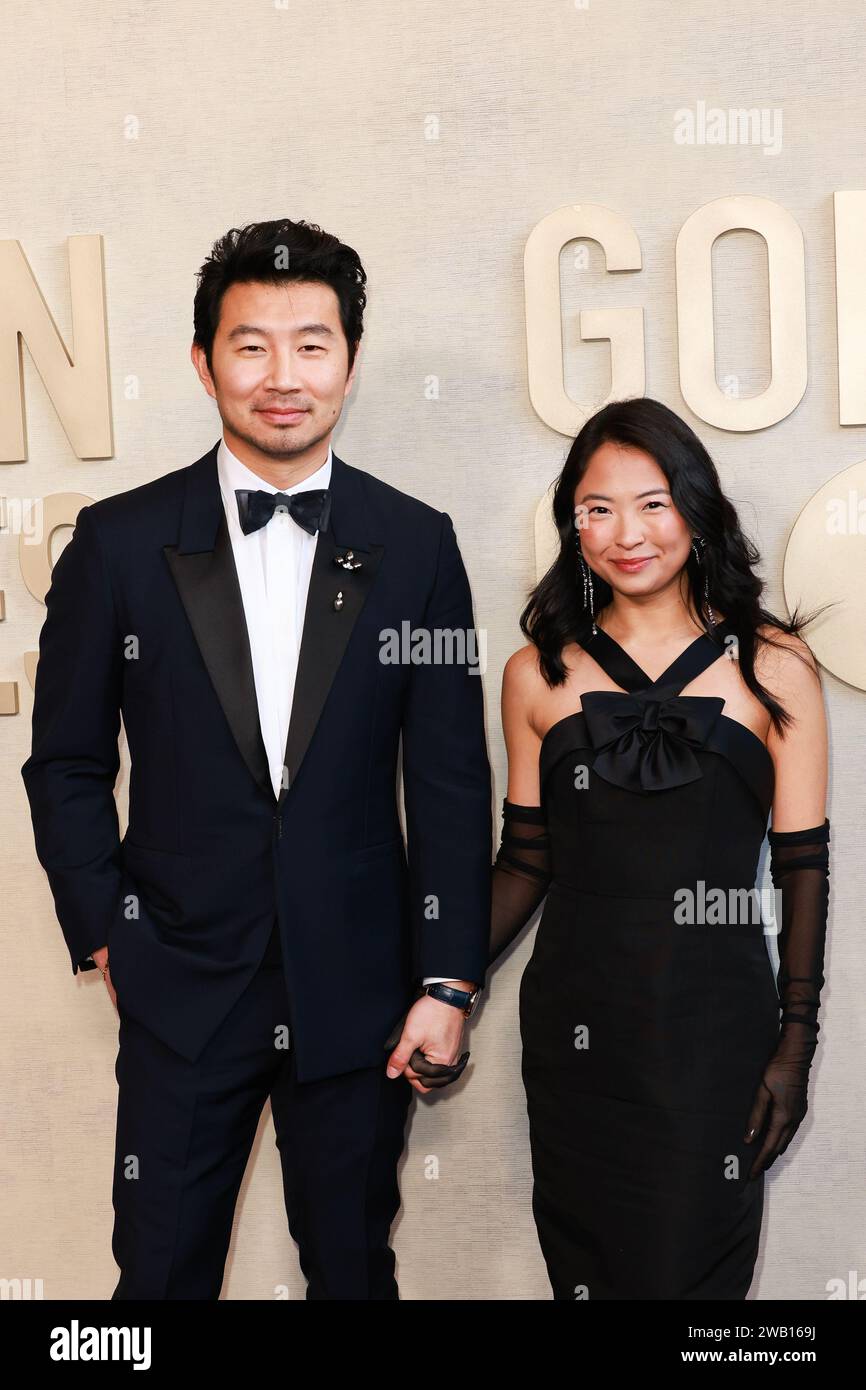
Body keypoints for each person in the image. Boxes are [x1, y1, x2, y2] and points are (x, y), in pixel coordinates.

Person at [21, 218, 491, 1300]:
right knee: (157, 1278)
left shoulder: (417, 542)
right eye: (251, 345)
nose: (284, 376)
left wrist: (446, 977)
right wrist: (108, 934)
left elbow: (451, 781)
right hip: (182, 982)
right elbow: (67, 763)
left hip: (363, 990)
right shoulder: (119, 541)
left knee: (352, 1270)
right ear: (203, 362)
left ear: (350, 363)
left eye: (311, 344)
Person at [488, 396, 831, 1300]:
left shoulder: (775, 664)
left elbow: (803, 867)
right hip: (576, 1039)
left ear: (694, 506)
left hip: (713, 1037)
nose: (625, 533)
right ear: (573, 522)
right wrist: (435, 977)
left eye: (653, 503)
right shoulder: (538, 672)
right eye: (597, 508)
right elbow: (525, 860)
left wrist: (795, 1042)